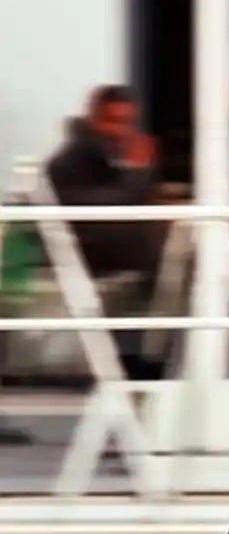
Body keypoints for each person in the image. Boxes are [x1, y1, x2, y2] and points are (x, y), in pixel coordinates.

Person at [46, 85, 169, 379]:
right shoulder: (70, 162)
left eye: (127, 123)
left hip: (124, 252)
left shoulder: (114, 157)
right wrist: (138, 172)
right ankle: (135, 361)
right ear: (94, 119)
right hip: (89, 252)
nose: (121, 132)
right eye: (114, 122)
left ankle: (149, 356)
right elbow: (102, 209)